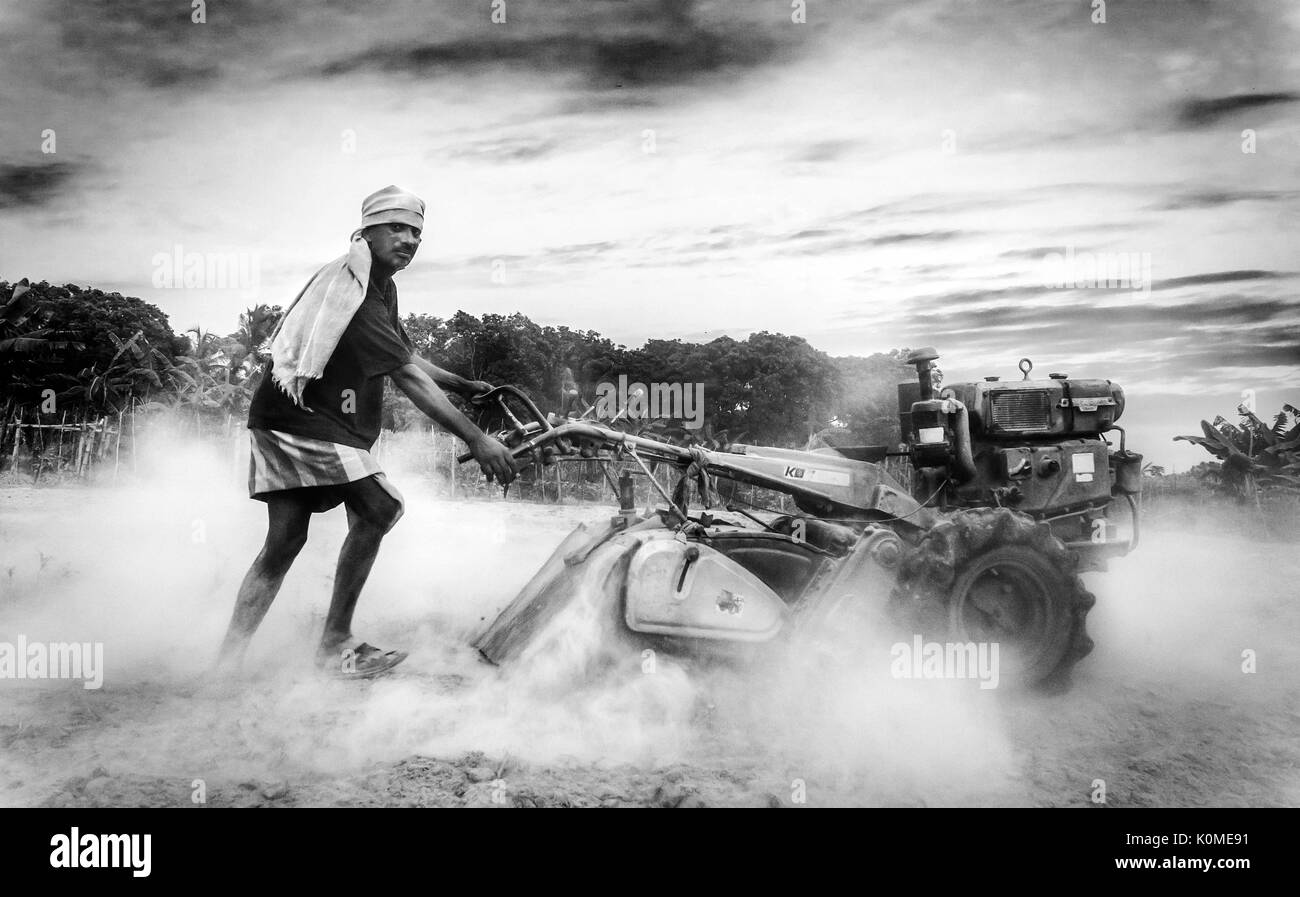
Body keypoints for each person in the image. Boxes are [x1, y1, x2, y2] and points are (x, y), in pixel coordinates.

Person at [216, 185, 516, 679]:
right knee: (380, 507)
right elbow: (407, 377)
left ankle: (226, 663)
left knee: (284, 541)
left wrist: (462, 384)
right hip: (306, 421)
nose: (409, 240)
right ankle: (334, 644)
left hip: (281, 418)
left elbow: (404, 354)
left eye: (416, 231)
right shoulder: (354, 293)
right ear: (368, 230)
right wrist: (477, 439)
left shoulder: (377, 285)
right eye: (397, 227)